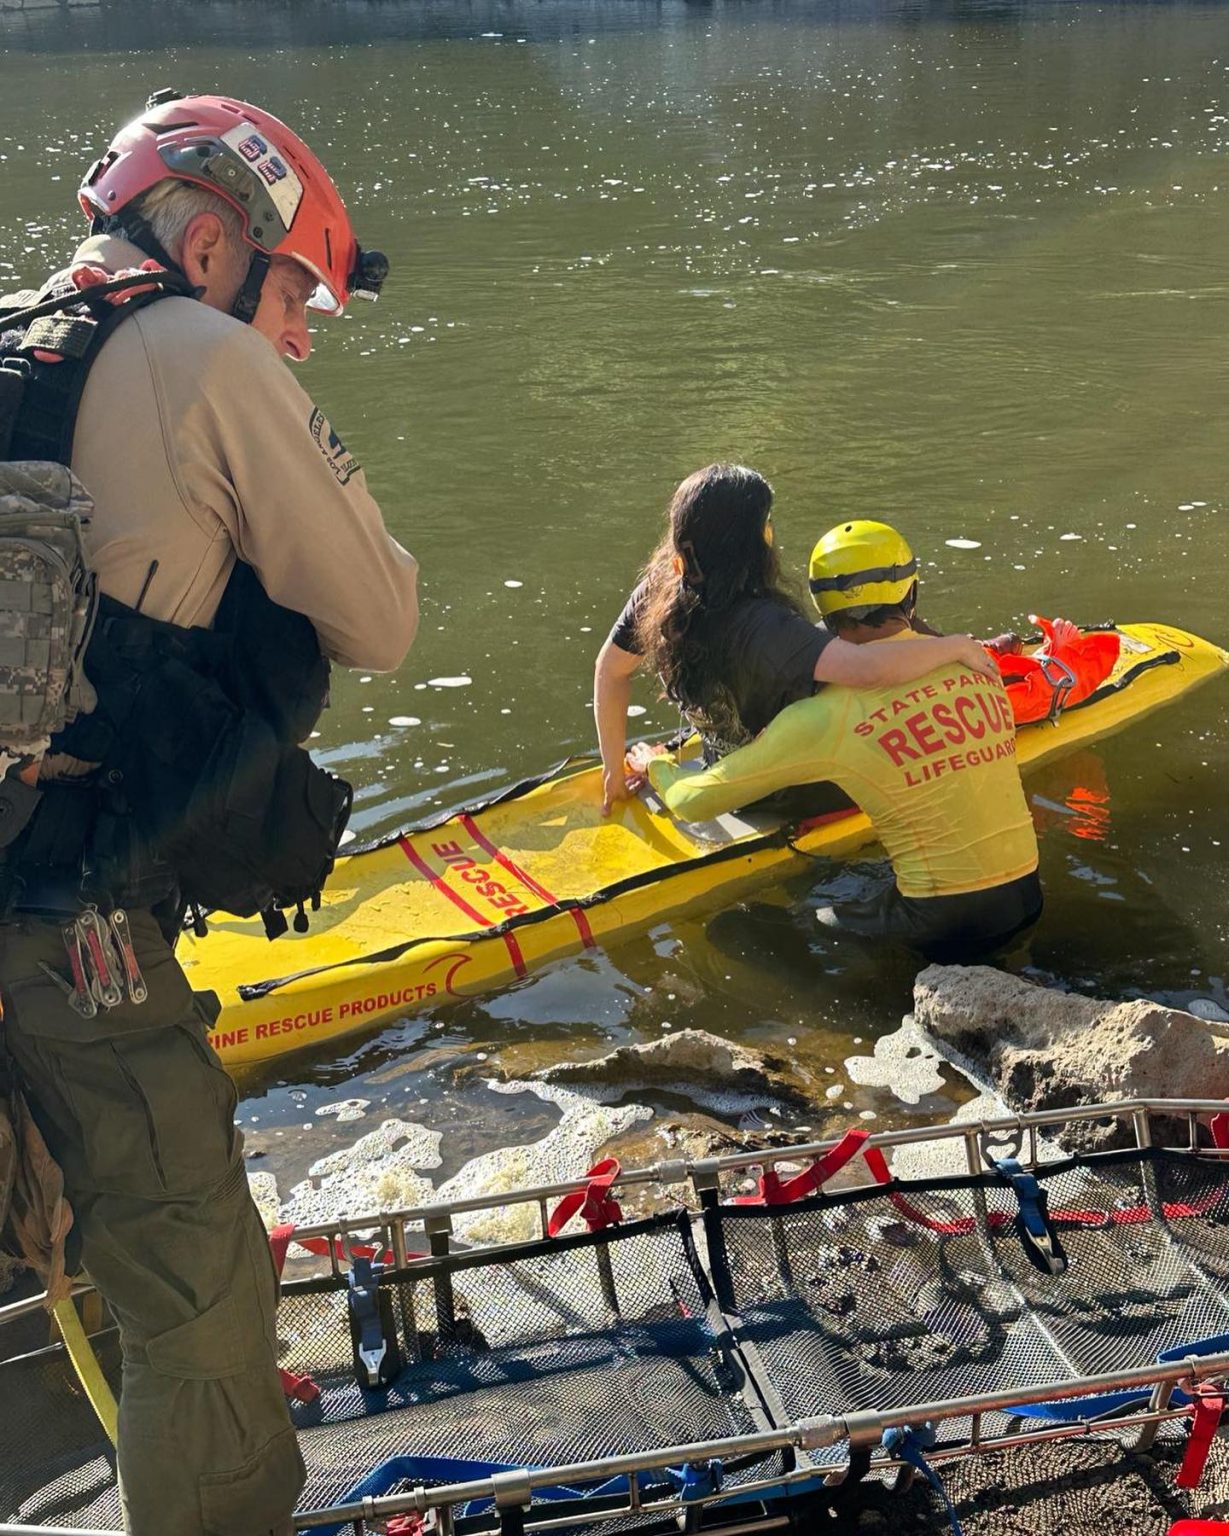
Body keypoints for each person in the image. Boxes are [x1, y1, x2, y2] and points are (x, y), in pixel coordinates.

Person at [0, 93, 418, 1533]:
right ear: (205, 244)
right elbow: (380, 618)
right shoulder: (199, 351)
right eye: (292, 292)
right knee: (198, 1287)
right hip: (70, 922)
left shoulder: (16, 340)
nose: (295, 333)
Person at [646, 519, 1044, 962]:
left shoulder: (826, 713)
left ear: (824, 613)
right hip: (1028, 896)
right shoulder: (976, 665)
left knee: (735, 927)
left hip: (939, 922)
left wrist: (654, 765)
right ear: (911, 593)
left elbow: (693, 802)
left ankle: (861, 991)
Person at [593, 463, 999, 814]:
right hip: (792, 792)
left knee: (836, 634)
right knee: (864, 625)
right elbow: (869, 669)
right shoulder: (767, 625)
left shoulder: (659, 591)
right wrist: (954, 646)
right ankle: (970, 664)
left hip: (722, 770)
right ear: (750, 545)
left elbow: (610, 670)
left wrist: (614, 771)